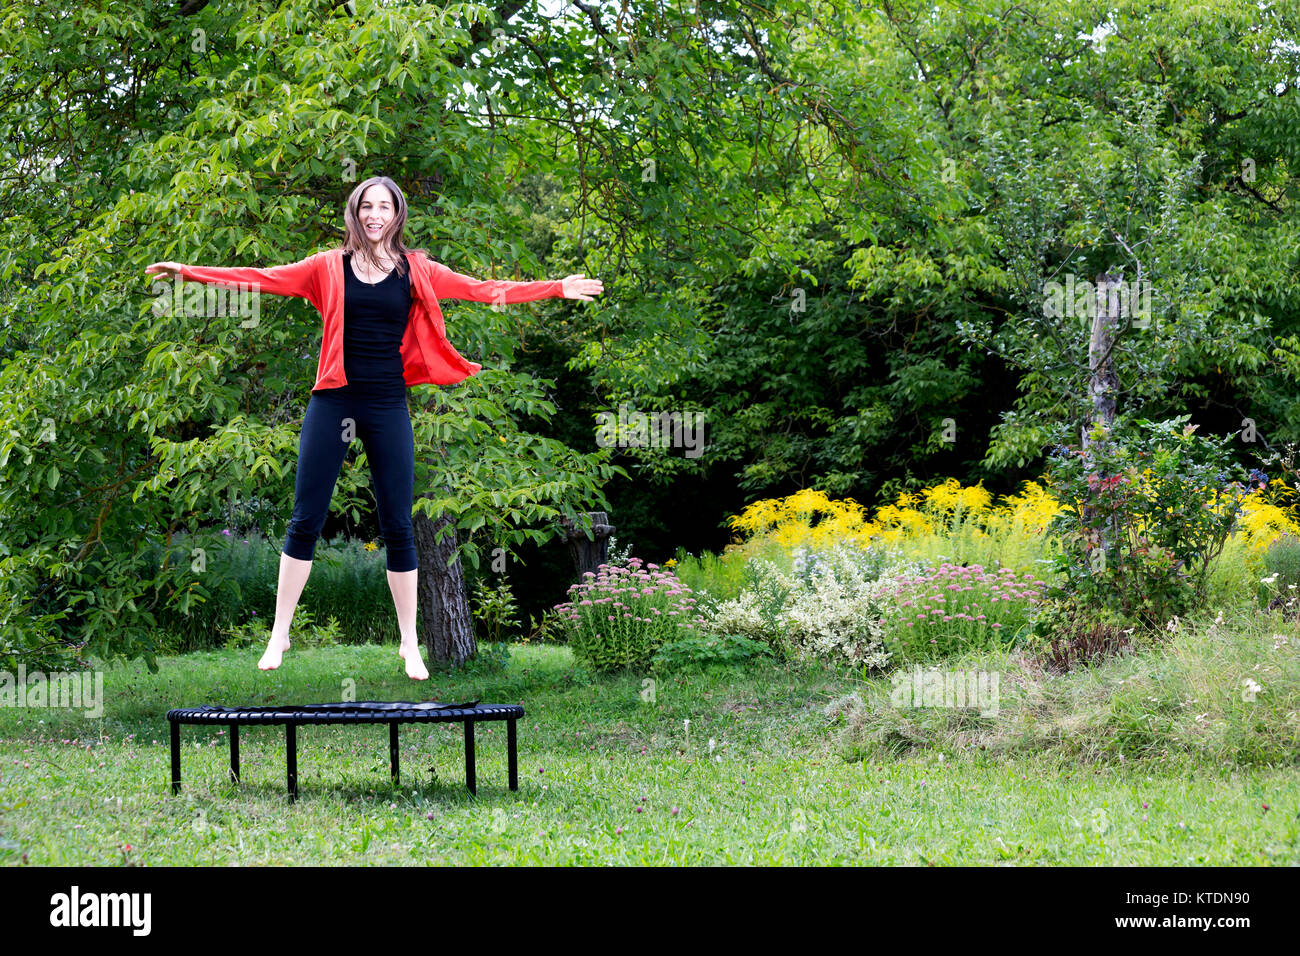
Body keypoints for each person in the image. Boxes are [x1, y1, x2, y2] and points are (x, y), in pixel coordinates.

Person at [146, 176, 603, 679]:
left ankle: (410, 643)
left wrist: (556, 287)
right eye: (367, 206)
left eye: (384, 206)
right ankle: (280, 633)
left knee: (398, 525)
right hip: (335, 398)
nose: (375, 214)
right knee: (306, 519)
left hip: (387, 401)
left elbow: (483, 289)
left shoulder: (417, 270)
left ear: (397, 214)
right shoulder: (327, 266)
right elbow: (263, 277)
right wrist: (189, 272)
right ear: (355, 212)